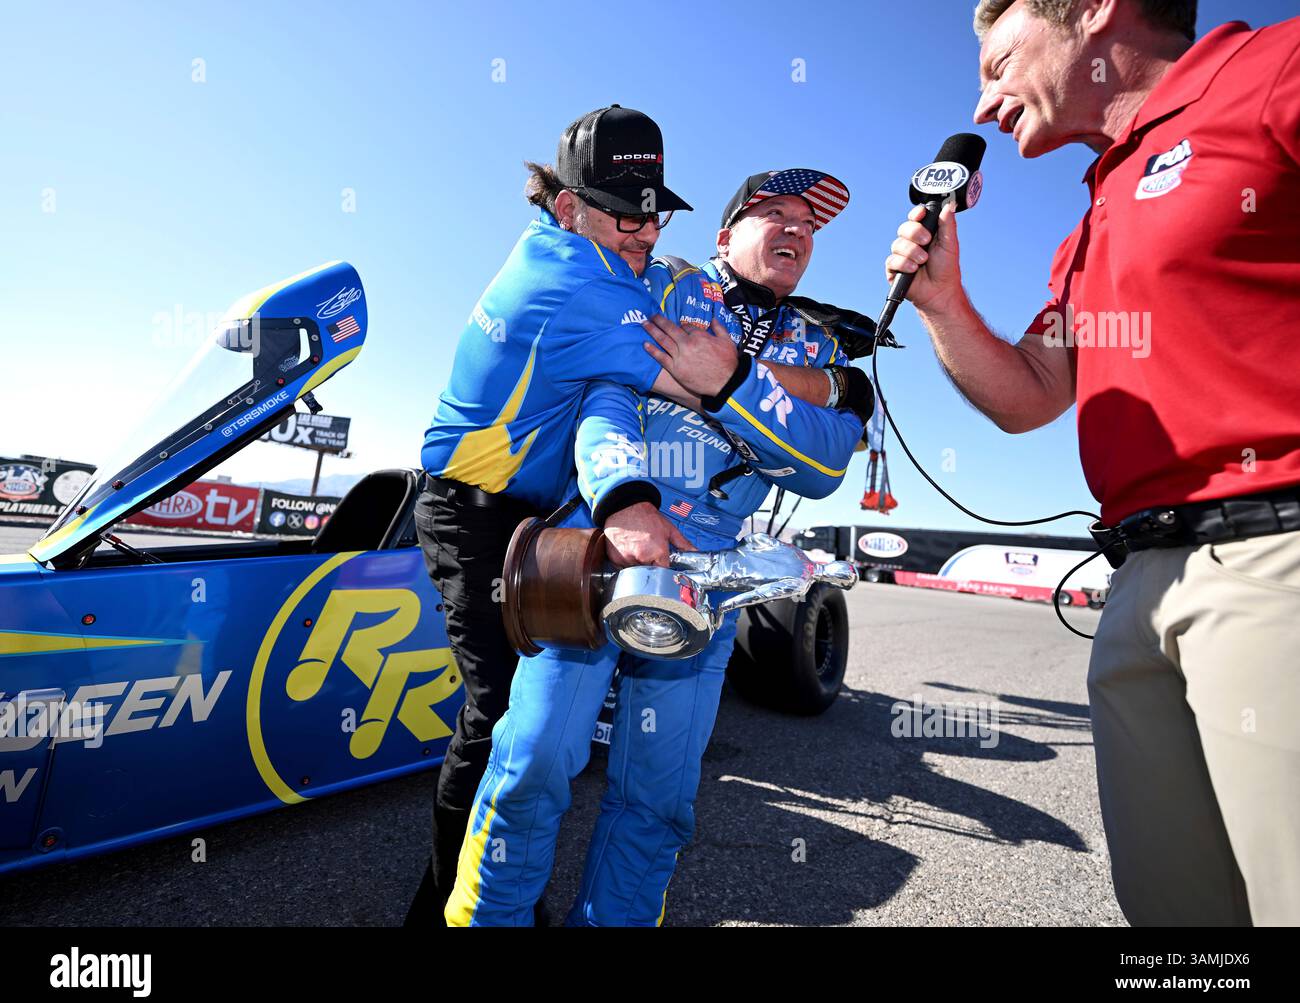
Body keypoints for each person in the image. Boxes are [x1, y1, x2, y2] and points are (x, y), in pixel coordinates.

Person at [885, 0, 1300, 925]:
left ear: (1096, 12)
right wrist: (942, 303)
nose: (986, 104)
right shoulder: (1095, 213)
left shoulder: (1273, 69)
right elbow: (1033, 391)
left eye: (999, 64)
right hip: (1134, 585)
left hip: (1277, 560)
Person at [406, 109, 835, 925]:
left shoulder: (612, 266)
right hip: (485, 514)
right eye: (625, 210)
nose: (644, 228)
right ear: (569, 207)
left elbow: (782, 420)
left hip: (551, 517)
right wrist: (831, 389)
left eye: (654, 209)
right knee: (504, 728)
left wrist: (799, 381)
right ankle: (449, 915)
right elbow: (687, 381)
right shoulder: (593, 284)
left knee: (582, 761)